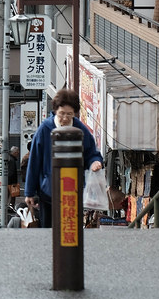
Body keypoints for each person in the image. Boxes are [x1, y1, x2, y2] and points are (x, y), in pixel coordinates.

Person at [24, 88, 103, 228]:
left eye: (69, 114)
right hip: (48, 192)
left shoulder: (80, 129)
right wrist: (29, 192)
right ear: (55, 111)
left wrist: (95, 162)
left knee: (70, 229)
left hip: (73, 192)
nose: (65, 118)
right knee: (49, 230)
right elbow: (34, 161)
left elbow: (92, 153)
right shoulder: (45, 129)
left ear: (75, 113)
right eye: (61, 114)